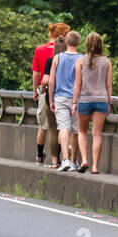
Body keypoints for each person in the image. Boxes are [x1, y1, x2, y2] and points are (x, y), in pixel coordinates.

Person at [74, 32, 113, 174]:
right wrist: (108, 102)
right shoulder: (107, 61)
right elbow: (108, 85)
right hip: (101, 100)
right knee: (97, 134)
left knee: (82, 131)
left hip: (84, 99)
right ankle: (95, 166)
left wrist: (74, 102)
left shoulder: (80, 61)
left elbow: (78, 83)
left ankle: (84, 159)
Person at [32, 23, 69, 165]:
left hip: (45, 92)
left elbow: (36, 74)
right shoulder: (65, 51)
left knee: (44, 125)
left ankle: (40, 156)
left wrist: (36, 90)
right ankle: (62, 158)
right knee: (62, 127)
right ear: (62, 35)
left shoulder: (40, 50)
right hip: (64, 92)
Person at [49, 30, 83, 171]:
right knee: (75, 130)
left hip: (60, 97)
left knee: (63, 127)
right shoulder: (82, 59)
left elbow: (51, 81)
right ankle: (74, 161)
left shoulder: (57, 58)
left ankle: (65, 159)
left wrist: (51, 99)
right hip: (77, 99)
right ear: (79, 43)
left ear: (67, 42)